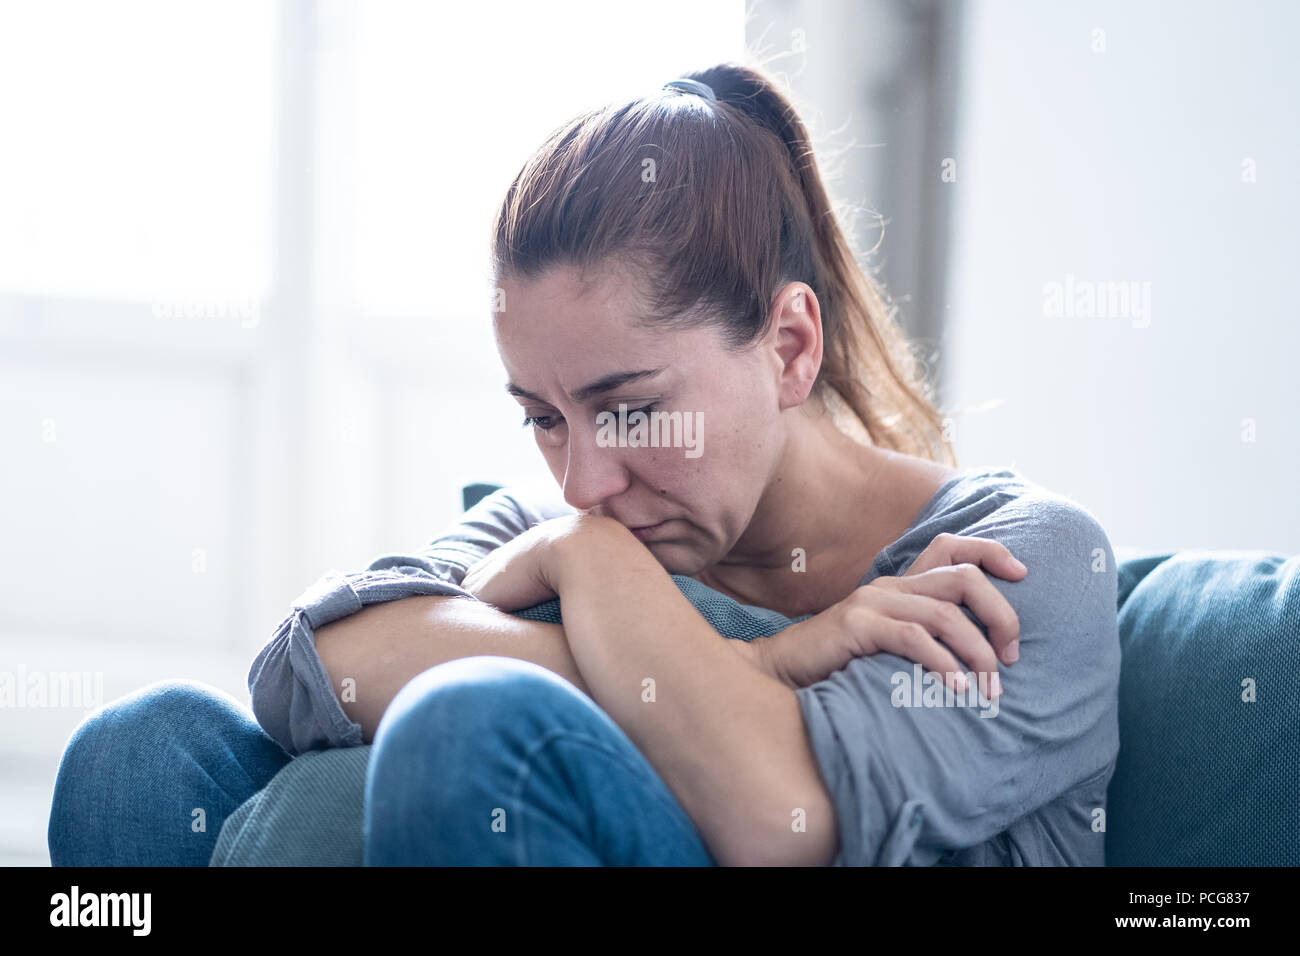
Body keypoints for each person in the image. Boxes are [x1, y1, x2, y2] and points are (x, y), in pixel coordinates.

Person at [48, 63, 1120, 867]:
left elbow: (772, 810)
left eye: (632, 410)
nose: (582, 486)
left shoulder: (1022, 562)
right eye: (543, 418)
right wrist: (763, 657)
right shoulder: (573, 523)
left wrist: (590, 579)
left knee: (467, 728)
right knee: (142, 753)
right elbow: (306, 667)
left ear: (790, 346)